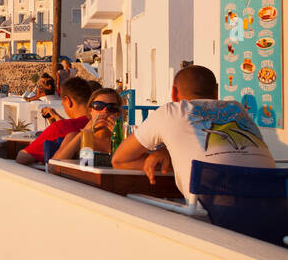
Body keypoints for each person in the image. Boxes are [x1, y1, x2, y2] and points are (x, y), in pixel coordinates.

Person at [112, 65, 274, 199]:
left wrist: (168, 161)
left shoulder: (171, 112)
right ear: (216, 91)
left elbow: (120, 160)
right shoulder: (238, 109)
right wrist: (167, 152)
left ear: (174, 93)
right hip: (272, 217)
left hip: (213, 218)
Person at [16, 76, 93, 166]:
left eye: (62, 102)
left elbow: (22, 158)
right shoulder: (98, 123)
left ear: (68, 101)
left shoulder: (60, 127)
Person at [53, 87, 123, 162]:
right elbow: (54, 166)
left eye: (112, 107)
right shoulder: (73, 137)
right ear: (90, 111)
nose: (105, 111)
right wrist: (84, 133)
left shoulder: (125, 141)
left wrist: (120, 137)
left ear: (117, 114)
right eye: (98, 106)